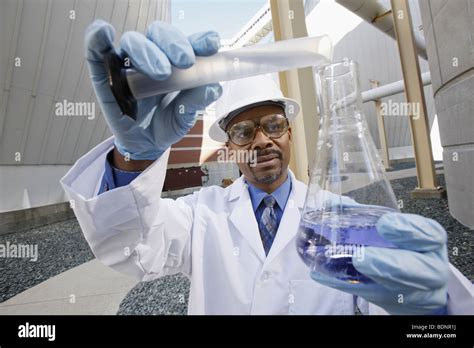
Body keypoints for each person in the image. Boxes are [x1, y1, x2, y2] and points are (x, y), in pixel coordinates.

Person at [61, 19, 473, 315]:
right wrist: (135, 155)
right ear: (230, 148)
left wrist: (429, 311)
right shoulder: (200, 216)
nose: (261, 140)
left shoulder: (336, 217)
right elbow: (131, 247)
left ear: (290, 133)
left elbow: (386, 296)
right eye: (243, 131)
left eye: (273, 125)